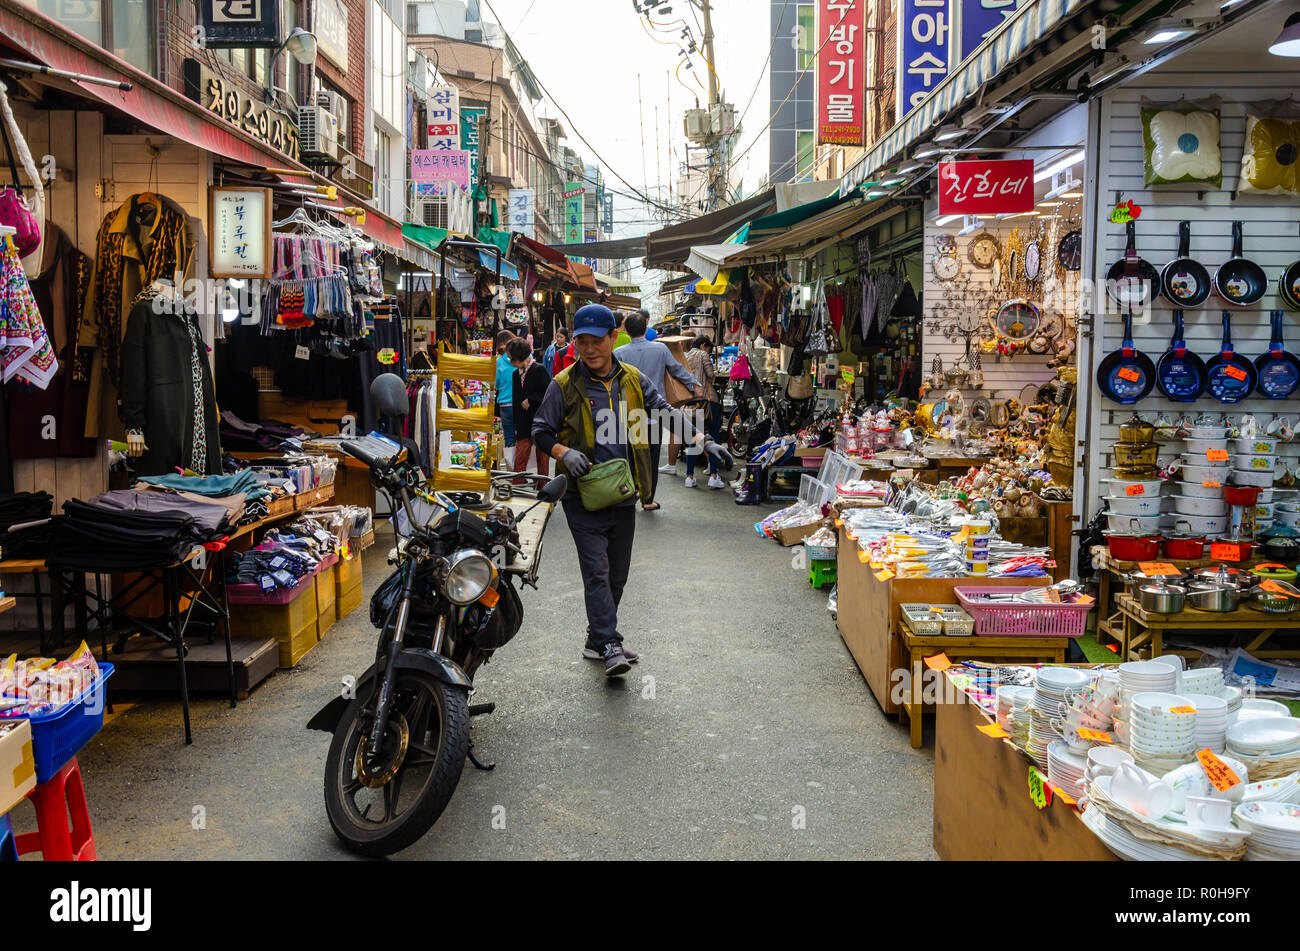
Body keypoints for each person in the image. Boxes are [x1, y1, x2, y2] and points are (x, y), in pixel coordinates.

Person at [532, 303, 731, 676]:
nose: (590, 349)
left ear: (613, 338)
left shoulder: (634, 379)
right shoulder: (563, 384)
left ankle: (596, 639)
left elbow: (665, 412)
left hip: (623, 491)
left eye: (597, 341)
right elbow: (540, 430)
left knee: (617, 574)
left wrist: (704, 441)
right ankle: (609, 642)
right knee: (596, 571)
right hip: (582, 495)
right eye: (582, 342)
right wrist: (564, 451)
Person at [614, 310, 702, 511]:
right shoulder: (660, 350)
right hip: (655, 408)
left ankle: (631, 492)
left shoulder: (619, 354)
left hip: (628, 411)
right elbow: (678, 370)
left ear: (626, 330)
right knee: (651, 457)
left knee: (629, 454)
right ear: (646, 328)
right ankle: (648, 499)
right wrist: (694, 384)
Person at [683, 335, 725, 489]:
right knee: (712, 438)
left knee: (694, 439)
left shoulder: (685, 355)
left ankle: (689, 477)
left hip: (690, 403)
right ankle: (714, 476)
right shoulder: (703, 354)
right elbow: (711, 375)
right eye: (708, 347)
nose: (708, 351)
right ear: (703, 345)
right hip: (707, 401)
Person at [507, 337, 550, 483]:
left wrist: (531, 399)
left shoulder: (539, 370)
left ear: (519, 358)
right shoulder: (515, 374)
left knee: (543, 460)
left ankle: (544, 490)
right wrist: (516, 426)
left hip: (541, 422)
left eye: (511, 358)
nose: (510, 361)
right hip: (523, 423)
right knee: (519, 459)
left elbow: (548, 393)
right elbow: (515, 402)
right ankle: (517, 488)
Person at [494, 330, 517, 449]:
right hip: (521, 403)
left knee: (509, 437)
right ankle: (521, 465)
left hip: (505, 404)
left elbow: (496, 383)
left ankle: (511, 465)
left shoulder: (498, 362)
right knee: (523, 437)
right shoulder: (525, 356)